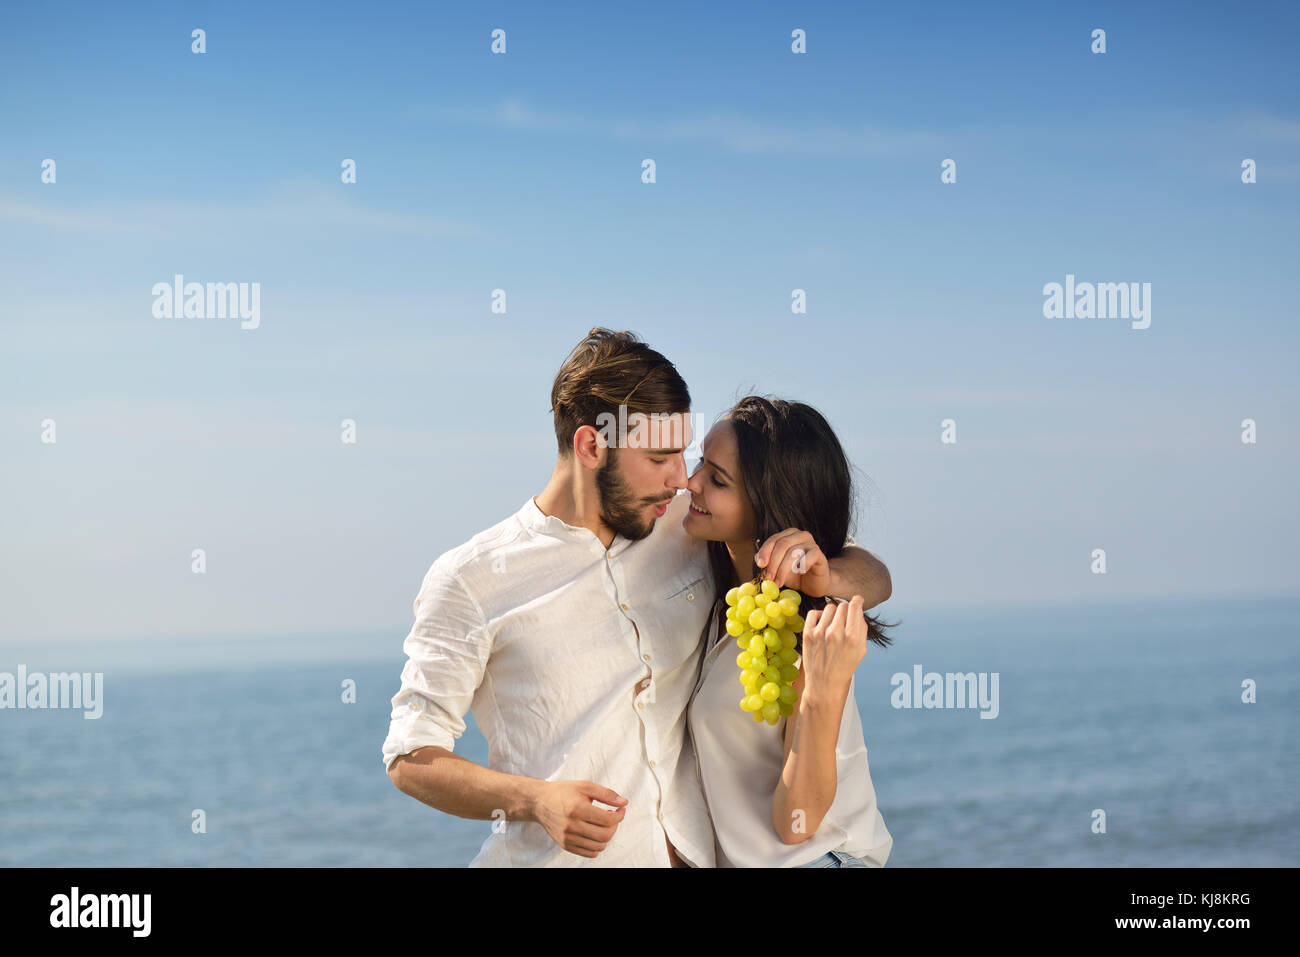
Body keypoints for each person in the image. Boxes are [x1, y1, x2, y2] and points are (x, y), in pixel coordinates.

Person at [382, 328, 892, 866]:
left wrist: (826, 581)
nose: (680, 480)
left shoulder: (690, 525)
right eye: (659, 458)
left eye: (685, 457)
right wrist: (534, 800)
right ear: (590, 446)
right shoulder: (472, 578)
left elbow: (864, 570)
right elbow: (410, 757)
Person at [685, 396, 899, 867]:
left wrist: (823, 692)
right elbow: (874, 571)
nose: (691, 481)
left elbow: (795, 821)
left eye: (717, 480)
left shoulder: (800, 632)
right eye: (701, 460)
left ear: (767, 505)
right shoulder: (731, 596)